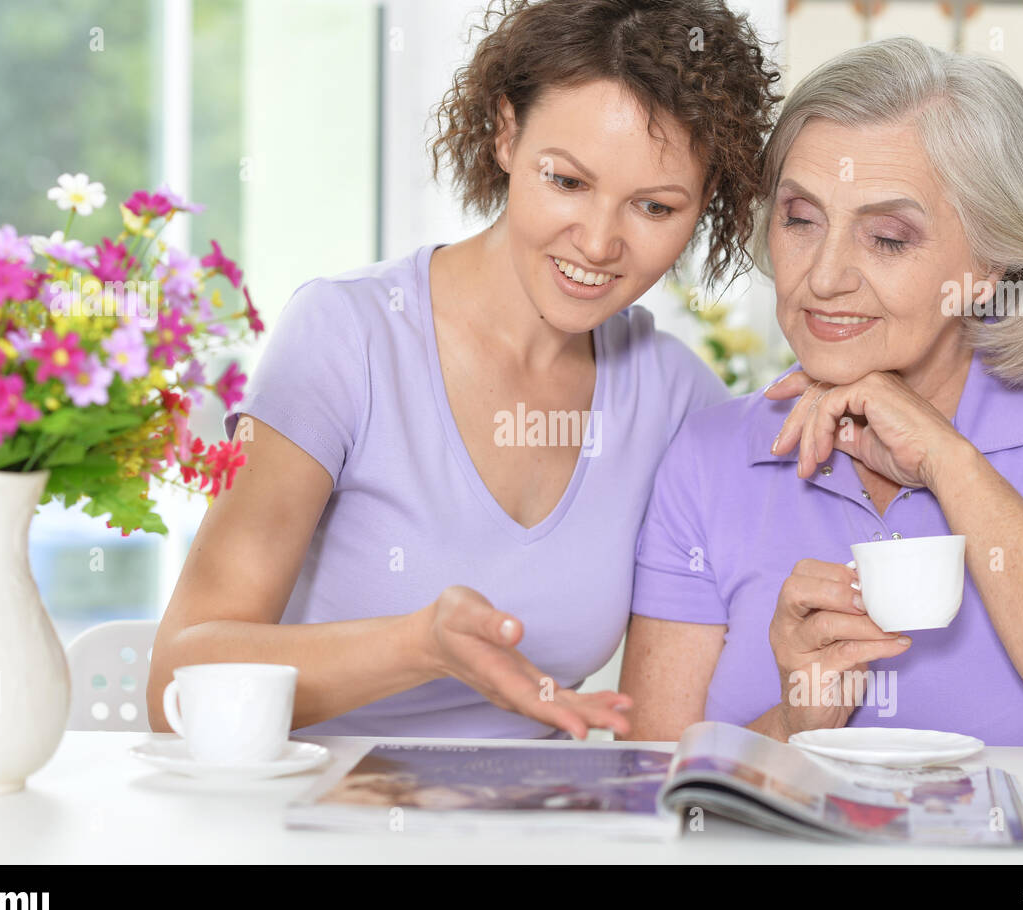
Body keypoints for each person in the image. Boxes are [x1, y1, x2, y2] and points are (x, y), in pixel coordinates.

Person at [146, 0, 782, 740]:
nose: (601, 241)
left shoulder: (674, 398)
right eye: (568, 182)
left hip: (537, 832)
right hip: (316, 829)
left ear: (705, 204)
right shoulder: (347, 338)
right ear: (506, 134)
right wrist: (419, 645)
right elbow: (175, 687)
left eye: (653, 206)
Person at [619, 36, 1023, 759]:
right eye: (800, 219)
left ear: (991, 265)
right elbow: (649, 784)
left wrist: (949, 460)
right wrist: (792, 727)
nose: (824, 276)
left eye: (888, 237)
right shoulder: (710, 456)